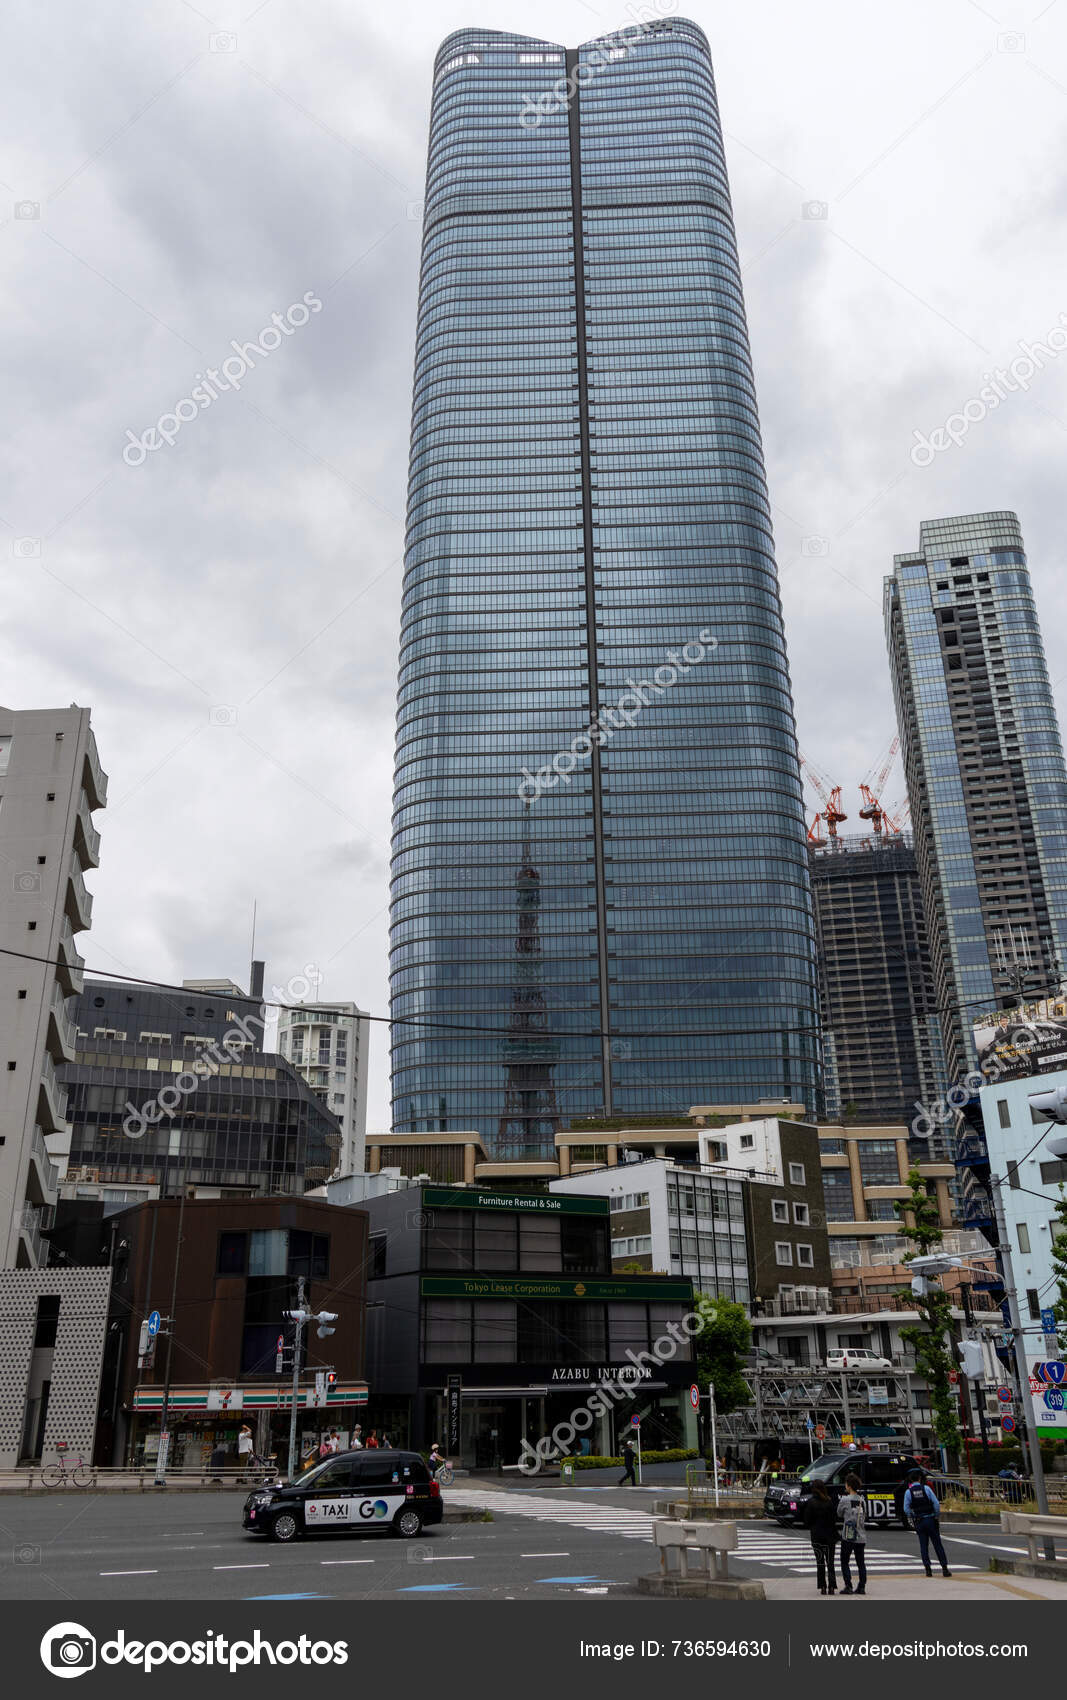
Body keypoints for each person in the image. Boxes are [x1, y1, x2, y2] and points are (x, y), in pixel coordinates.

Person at [903, 1470, 952, 1577]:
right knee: (937, 1544)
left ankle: (928, 1569)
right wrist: (936, 1515)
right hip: (930, 1519)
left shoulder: (908, 1492)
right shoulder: (926, 1488)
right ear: (920, 1479)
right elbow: (936, 1504)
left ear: (911, 1480)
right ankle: (944, 1569)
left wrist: (913, 1515)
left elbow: (906, 1509)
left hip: (919, 1520)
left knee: (923, 1545)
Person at [803, 1479, 838, 1594]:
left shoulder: (811, 1502)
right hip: (830, 1535)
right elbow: (834, 1519)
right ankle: (832, 1586)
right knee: (830, 1562)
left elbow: (807, 1521)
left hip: (817, 1535)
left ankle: (822, 1586)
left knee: (820, 1562)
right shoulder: (829, 1502)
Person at [837, 1473, 868, 1595]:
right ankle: (862, 1586)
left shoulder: (844, 1500)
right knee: (861, 1562)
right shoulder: (862, 1500)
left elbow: (839, 1513)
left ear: (849, 1486)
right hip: (861, 1535)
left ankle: (848, 1585)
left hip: (848, 1534)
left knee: (845, 1560)